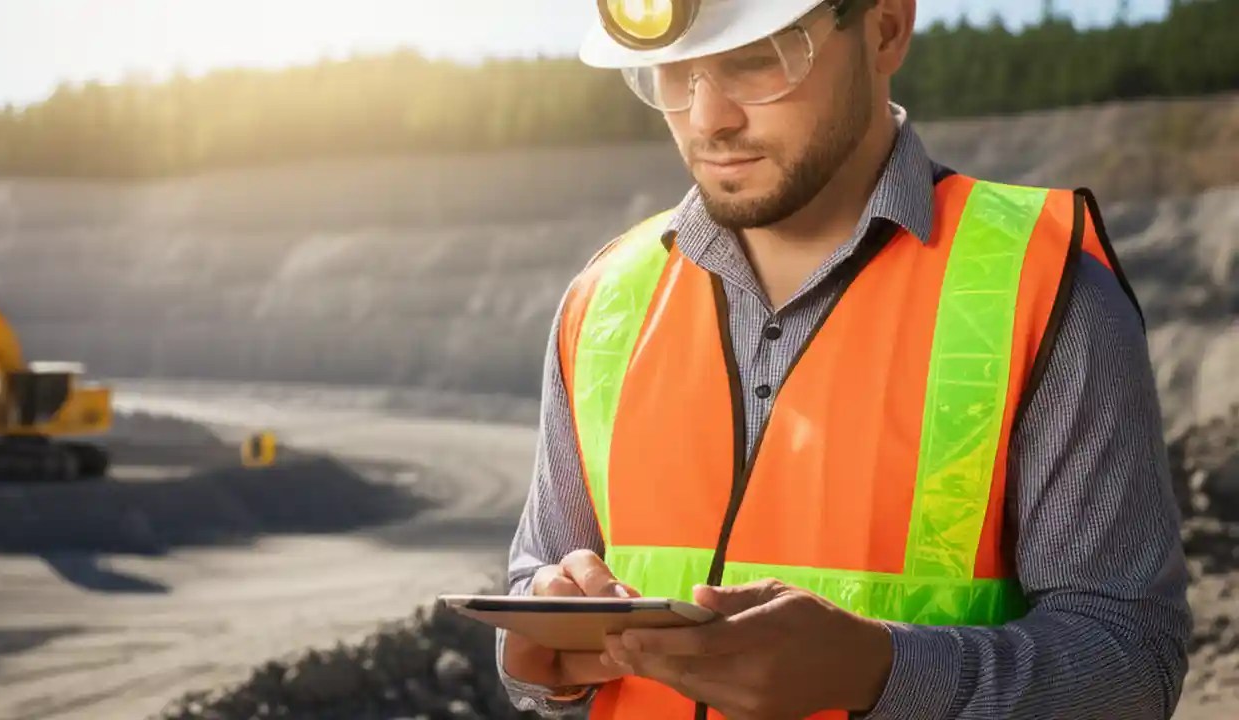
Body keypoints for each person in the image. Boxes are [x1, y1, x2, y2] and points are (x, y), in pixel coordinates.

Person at [497, 0, 1191, 717]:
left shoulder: (1044, 288)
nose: (709, 119)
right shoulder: (605, 301)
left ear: (885, 27)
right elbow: (534, 584)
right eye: (673, 72)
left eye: (756, 59)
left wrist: (882, 673)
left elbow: (1131, 665)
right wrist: (540, 653)